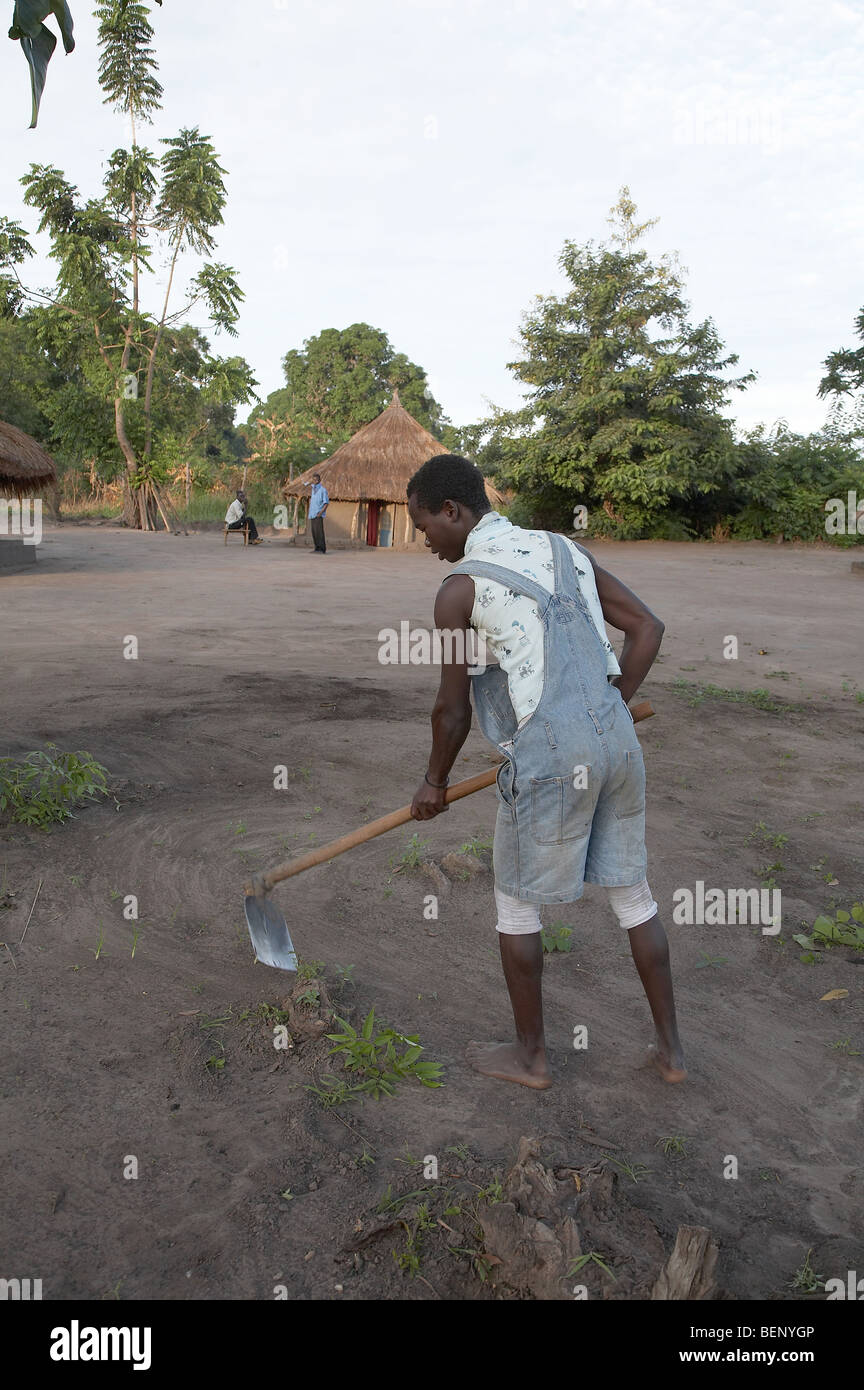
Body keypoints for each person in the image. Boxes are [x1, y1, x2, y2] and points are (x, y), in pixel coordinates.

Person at [406, 454, 685, 1090]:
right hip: (619, 746)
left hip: (551, 760)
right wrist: (610, 708)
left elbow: (451, 710)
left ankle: (530, 1057)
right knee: (633, 896)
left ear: (452, 512)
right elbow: (647, 627)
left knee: (515, 903)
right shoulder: (565, 549)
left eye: (424, 526)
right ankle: (671, 1054)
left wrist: (434, 784)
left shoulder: (459, 591)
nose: (425, 541)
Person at [305, 473, 329, 552]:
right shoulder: (313, 489)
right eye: (314, 479)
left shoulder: (323, 490)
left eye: (316, 479)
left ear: (319, 480)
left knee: (319, 532)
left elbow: (326, 503)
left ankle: (322, 549)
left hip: (318, 514)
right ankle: (317, 548)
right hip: (312, 514)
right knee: (314, 532)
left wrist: (321, 512)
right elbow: (306, 484)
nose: (315, 481)